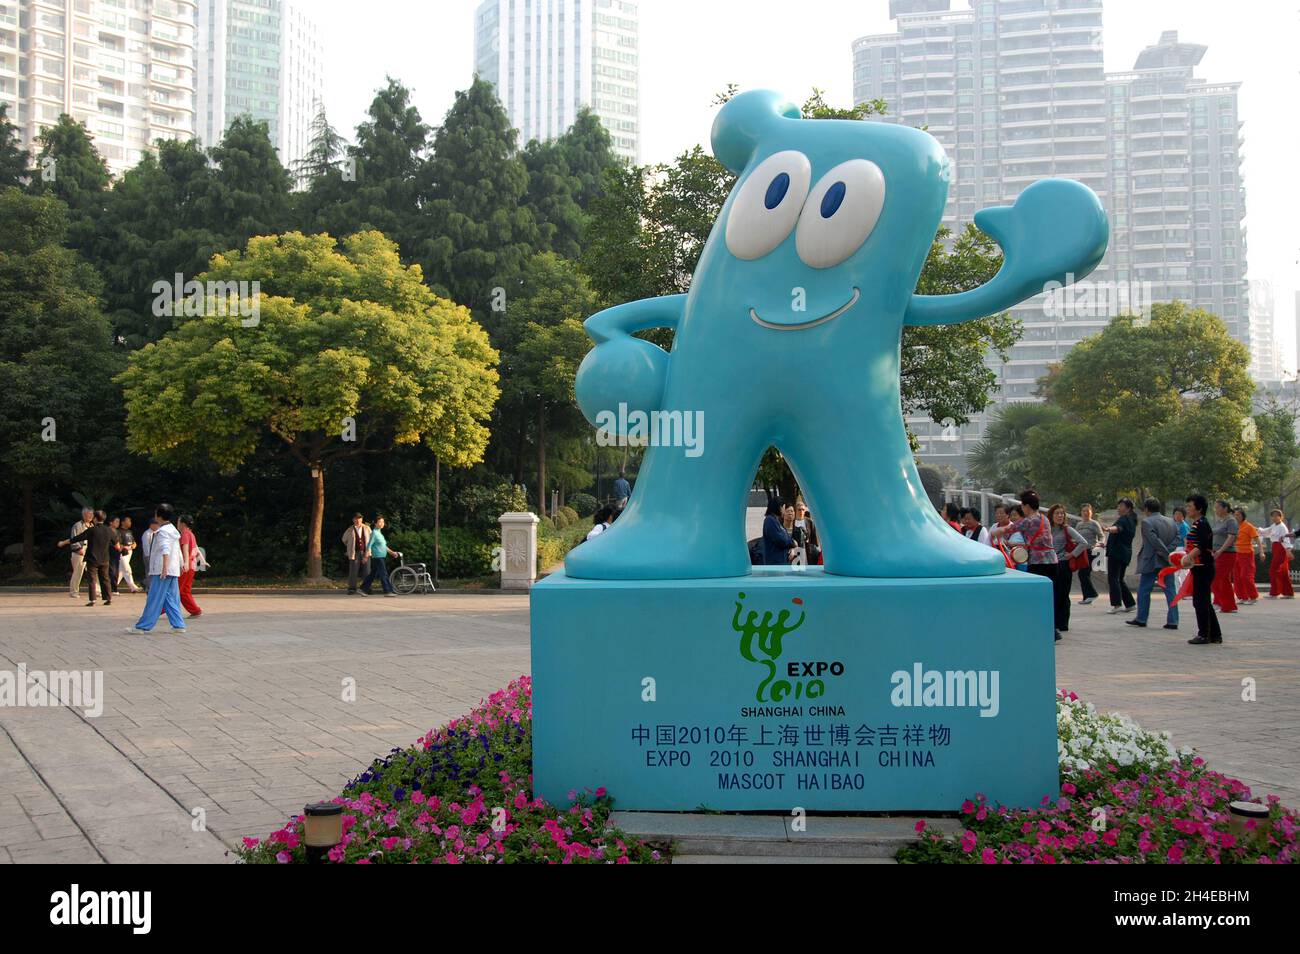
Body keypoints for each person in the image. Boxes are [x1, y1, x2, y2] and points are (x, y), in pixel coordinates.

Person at [991, 489, 1061, 640]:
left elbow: (1011, 528)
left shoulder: (1030, 520)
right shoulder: (1044, 518)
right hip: (1052, 561)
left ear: (1027, 506)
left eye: (1022, 505)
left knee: (1037, 596)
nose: (1021, 508)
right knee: (1050, 595)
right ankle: (1053, 628)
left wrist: (996, 532)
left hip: (1038, 563)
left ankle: (1044, 628)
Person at [127, 503, 186, 634]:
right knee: (171, 598)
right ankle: (178, 624)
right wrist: (181, 564)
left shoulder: (162, 532)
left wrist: (164, 567)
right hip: (172, 569)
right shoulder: (173, 530)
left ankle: (142, 626)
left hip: (161, 570)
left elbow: (166, 550)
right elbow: (177, 550)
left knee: (154, 598)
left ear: (158, 516)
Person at [1128, 497, 1179, 631]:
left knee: (1144, 589)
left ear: (1146, 509)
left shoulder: (1147, 522)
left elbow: (1153, 540)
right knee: (1170, 590)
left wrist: (1164, 552)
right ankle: (1173, 620)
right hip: (1167, 561)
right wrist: (1169, 552)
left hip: (1152, 559)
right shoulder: (1171, 521)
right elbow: (1178, 538)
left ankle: (1141, 618)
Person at [1182, 495, 1222, 645]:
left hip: (1203, 567)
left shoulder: (1202, 524)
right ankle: (1215, 634)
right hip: (1198, 567)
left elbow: (1202, 545)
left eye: (1190, 506)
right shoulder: (1197, 523)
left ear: (1199, 508)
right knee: (1203, 601)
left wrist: (1188, 557)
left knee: (1200, 601)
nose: (1187, 509)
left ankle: (1204, 634)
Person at [58, 510, 116, 606]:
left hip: (92, 557)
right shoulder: (109, 530)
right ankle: (108, 598)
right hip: (104, 558)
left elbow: (77, 538)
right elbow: (117, 545)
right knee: (105, 578)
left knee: (92, 579)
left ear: (95, 518)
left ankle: (92, 600)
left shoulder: (92, 530)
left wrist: (63, 542)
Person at [1047, 504, 1087, 634]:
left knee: (1063, 594)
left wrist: (1072, 554)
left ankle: (1062, 623)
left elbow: (1084, 543)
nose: (1060, 516)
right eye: (1057, 513)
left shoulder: (1067, 529)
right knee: (1053, 593)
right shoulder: (1046, 529)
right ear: (1051, 516)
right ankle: (1053, 622)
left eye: (1062, 513)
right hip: (1050, 564)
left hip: (1063, 565)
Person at [1103, 498, 1137, 614]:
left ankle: (1116, 604)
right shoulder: (1131, 520)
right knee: (1119, 579)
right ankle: (1130, 604)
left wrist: (1108, 529)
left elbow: (1117, 529)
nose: (1118, 507)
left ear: (1128, 508)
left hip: (1117, 553)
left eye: (1121, 505)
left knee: (1113, 578)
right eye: (1118, 505)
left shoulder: (1124, 520)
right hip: (1125, 553)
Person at [360, 515, 402, 597]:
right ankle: (387, 591)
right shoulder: (374, 533)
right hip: (378, 557)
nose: (382, 523)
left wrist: (392, 552)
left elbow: (384, 546)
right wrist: (366, 556)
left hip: (381, 556)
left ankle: (363, 589)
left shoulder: (379, 533)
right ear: (375, 524)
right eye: (380, 522)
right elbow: (369, 545)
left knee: (373, 574)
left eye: (383, 522)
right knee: (384, 573)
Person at [1209, 500, 1238, 614]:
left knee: (1218, 578)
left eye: (1218, 508)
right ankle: (1224, 603)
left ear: (1225, 508)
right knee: (1220, 579)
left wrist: (1220, 551)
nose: (1216, 510)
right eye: (1215, 508)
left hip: (1227, 553)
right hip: (1215, 552)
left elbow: (1231, 538)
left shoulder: (1231, 520)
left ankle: (1225, 604)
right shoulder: (1218, 521)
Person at [1073, 503, 1103, 604]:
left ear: (1091, 512)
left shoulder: (1094, 524)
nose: (1085, 513)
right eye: (1083, 511)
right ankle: (1086, 596)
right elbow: (1076, 537)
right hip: (1081, 552)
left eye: (1087, 511)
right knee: (1082, 574)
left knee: (1084, 573)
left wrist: (1099, 544)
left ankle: (1092, 594)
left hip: (1090, 551)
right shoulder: (1079, 525)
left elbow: (1101, 536)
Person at [1232, 507, 1261, 605]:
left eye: (1238, 515)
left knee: (1246, 576)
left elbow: (1257, 540)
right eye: (1235, 515)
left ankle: (1253, 596)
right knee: (1237, 577)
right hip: (1236, 553)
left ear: (1243, 516)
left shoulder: (1249, 526)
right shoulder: (1234, 526)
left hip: (1247, 553)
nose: (1236, 517)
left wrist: (1262, 552)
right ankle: (1242, 597)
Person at [1264, 509, 1294, 599]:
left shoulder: (1282, 527)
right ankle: (1288, 593)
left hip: (1281, 549)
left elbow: (1285, 539)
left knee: (1273, 570)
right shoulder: (1274, 525)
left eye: (1277, 515)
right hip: (1276, 549)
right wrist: (1255, 530)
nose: (1275, 517)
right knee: (1283, 572)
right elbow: (1266, 531)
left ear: (1281, 517)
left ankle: (1274, 592)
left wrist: (1288, 551)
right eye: (1273, 516)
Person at [177, 514, 202, 618]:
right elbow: (196, 549)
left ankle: (158, 611)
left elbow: (185, 549)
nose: (177, 523)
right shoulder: (191, 533)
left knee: (176, 590)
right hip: (192, 566)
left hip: (186, 566)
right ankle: (195, 610)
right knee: (184, 591)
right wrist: (202, 561)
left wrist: (185, 563)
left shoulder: (185, 534)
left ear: (182, 523)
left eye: (178, 521)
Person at [761, 498, 798, 566]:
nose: (784, 511)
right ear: (779, 508)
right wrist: (792, 542)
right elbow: (781, 539)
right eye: (784, 508)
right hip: (775, 563)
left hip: (781, 562)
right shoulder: (770, 520)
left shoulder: (775, 521)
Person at [342, 513, 371, 594]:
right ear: (353, 520)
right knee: (353, 570)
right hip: (355, 552)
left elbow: (372, 538)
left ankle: (366, 588)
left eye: (359, 518)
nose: (358, 520)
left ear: (362, 519)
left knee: (367, 570)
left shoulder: (367, 528)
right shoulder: (350, 529)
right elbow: (344, 539)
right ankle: (352, 588)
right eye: (356, 518)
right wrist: (350, 545)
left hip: (366, 551)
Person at [67, 507, 93, 598]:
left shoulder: (92, 526)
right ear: (83, 515)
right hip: (79, 551)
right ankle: (74, 591)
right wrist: (78, 549)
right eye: (88, 514)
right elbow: (73, 539)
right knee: (78, 572)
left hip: (90, 551)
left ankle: (96, 590)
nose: (90, 516)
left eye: (91, 514)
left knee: (93, 572)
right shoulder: (77, 525)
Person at [116, 516, 143, 593]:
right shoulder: (119, 531)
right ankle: (133, 586)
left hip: (130, 552)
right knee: (127, 569)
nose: (130, 523)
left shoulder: (129, 532)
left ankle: (112, 587)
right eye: (128, 521)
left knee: (121, 571)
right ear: (123, 522)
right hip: (123, 553)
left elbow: (133, 541)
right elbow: (118, 543)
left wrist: (134, 544)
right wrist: (124, 547)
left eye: (130, 521)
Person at [792, 500, 822, 564]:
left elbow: (814, 538)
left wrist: (814, 548)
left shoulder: (809, 522)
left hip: (808, 551)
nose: (801, 512)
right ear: (795, 510)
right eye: (799, 510)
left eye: (803, 510)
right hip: (795, 551)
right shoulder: (792, 522)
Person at [139, 517, 160, 594]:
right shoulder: (147, 534)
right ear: (152, 525)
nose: (158, 526)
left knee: (153, 572)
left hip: (154, 556)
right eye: (156, 524)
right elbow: (146, 547)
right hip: (148, 556)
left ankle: (147, 584)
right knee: (149, 572)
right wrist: (149, 557)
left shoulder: (157, 533)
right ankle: (148, 586)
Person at [106, 515, 123, 596]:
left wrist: (121, 547)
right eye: (116, 521)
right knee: (111, 571)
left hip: (117, 553)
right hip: (109, 552)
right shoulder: (107, 531)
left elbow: (120, 541)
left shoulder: (117, 532)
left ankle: (114, 587)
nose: (118, 523)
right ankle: (112, 588)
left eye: (118, 522)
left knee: (116, 571)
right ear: (111, 522)